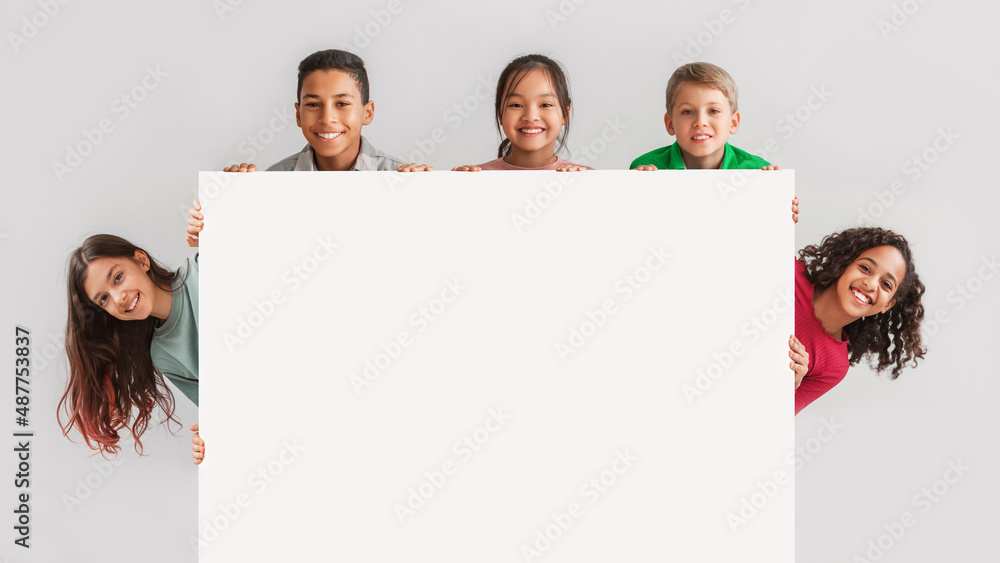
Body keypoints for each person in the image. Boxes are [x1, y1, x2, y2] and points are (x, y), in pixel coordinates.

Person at [60, 234, 199, 456]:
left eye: (117, 278)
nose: (118, 298)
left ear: (142, 260)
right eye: (103, 299)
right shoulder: (163, 355)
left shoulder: (201, 270)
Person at [222, 48, 430, 173]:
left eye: (342, 104)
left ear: (367, 113)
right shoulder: (274, 181)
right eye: (313, 105)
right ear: (298, 114)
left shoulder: (400, 178)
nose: (327, 118)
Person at [789, 227, 926, 414]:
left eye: (886, 284)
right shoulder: (789, 273)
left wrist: (790, 385)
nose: (869, 284)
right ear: (844, 264)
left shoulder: (834, 367)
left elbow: (774, 423)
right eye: (865, 268)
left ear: (888, 305)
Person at [452, 54, 592, 172]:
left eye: (545, 104)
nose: (530, 117)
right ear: (500, 112)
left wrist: (582, 188)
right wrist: (447, 186)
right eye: (516, 105)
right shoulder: (475, 177)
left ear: (565, 114)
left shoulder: (587, 178)